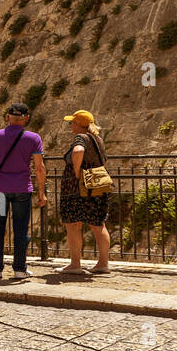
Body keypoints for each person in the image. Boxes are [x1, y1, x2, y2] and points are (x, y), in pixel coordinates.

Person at [0, 103, 47, 280]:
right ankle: (20, 268)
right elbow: (39, 167)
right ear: (26, 119)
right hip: (23, 190)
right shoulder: (33, 138)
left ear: (7, 117)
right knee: (21, 229)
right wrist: (41, 192)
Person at [59, 110, 112, 274]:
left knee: (73, 224)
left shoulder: (80, 138)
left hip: (77, 187)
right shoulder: (98, 139)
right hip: (96, 185)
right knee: (98, 224)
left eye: (72, 123)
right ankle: (103, 263)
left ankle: (75, 264)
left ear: (79, 125)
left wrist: (76, 172)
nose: (71, 126)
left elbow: (78, 151)